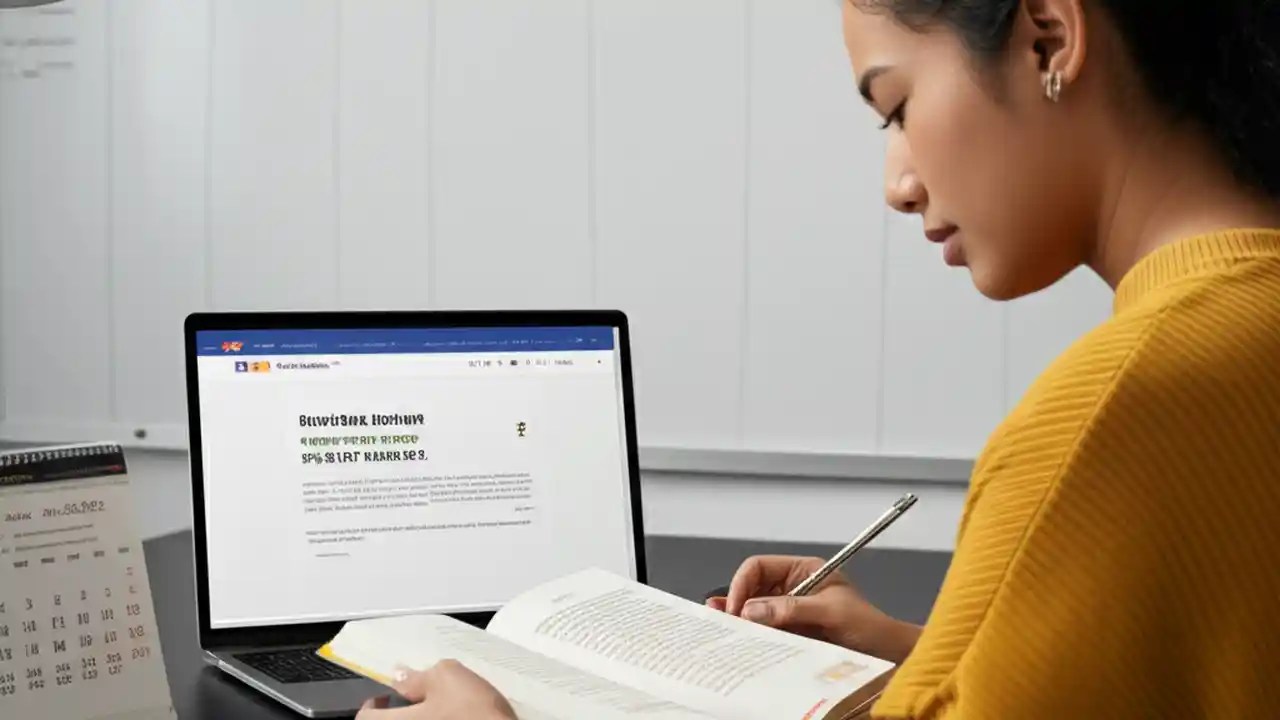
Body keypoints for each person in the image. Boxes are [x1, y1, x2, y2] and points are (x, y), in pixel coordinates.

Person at [357, 0, 1280, 717]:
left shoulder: (1117, 409)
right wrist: (926, 652)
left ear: (1048, 37)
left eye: (898, 106)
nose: (897, 182)